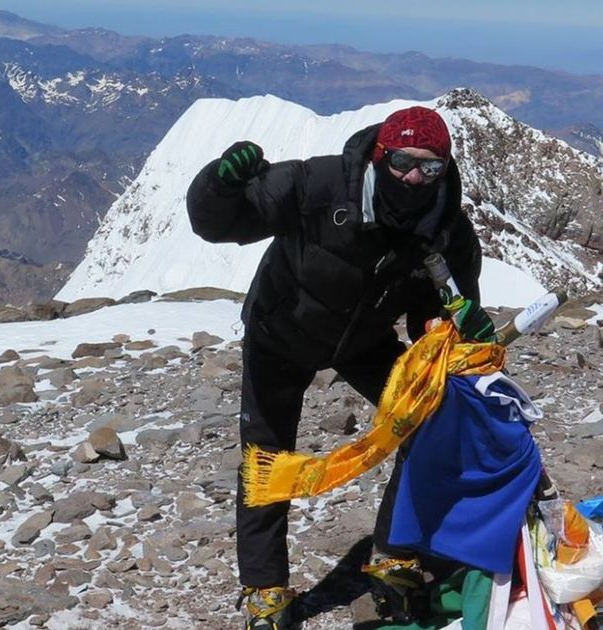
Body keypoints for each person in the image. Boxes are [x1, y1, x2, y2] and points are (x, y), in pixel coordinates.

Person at [186, 105, 496, 629]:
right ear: (381, 156)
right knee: (267, 457)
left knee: (430, 415)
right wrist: (219, 183)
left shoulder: (445, 229)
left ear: (445, 168)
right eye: (402, 162)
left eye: (430, 167)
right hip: (279, 333)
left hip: (362, 339)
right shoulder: (317, 184)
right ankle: (266, 591)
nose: (415, 177)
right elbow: (219, 223)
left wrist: (462, 327)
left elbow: (440, 312)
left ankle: (393, 554)